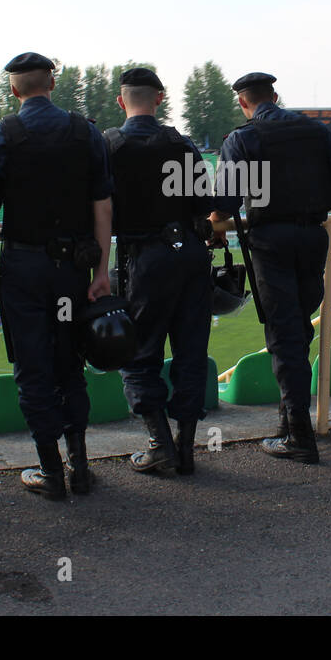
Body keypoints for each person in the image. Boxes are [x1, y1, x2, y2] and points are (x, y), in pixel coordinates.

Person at [0, 52, 114, 500]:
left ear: (14, 90)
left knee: (32, 365)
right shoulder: (84, 131)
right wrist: (102, 269)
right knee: (70, 361)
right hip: (73, 267)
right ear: (52, 84)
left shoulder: (2, 134)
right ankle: (81, 466)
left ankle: (50, 469)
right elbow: (102, 205)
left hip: (25, 266)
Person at [210, 72, 331, 463]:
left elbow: (226, 200)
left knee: (285, 334)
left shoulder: (242, 139)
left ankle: (299, 435)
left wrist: (215, 224)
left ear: (243, 103)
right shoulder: (316, 131)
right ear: (275, 96)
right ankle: (289, 422)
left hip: (270, 241)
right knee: (299, 329)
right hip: (314, 236)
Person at [102, 67, 213, 474]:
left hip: (143, 261)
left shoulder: (108, 146)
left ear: (121, 100)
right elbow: (204, 205)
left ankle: (159, 444)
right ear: (160, 98)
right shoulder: (179, 143)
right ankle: (184, 449)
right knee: (191, 353)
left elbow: (100, 211)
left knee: (140, 354)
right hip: (189, 254)